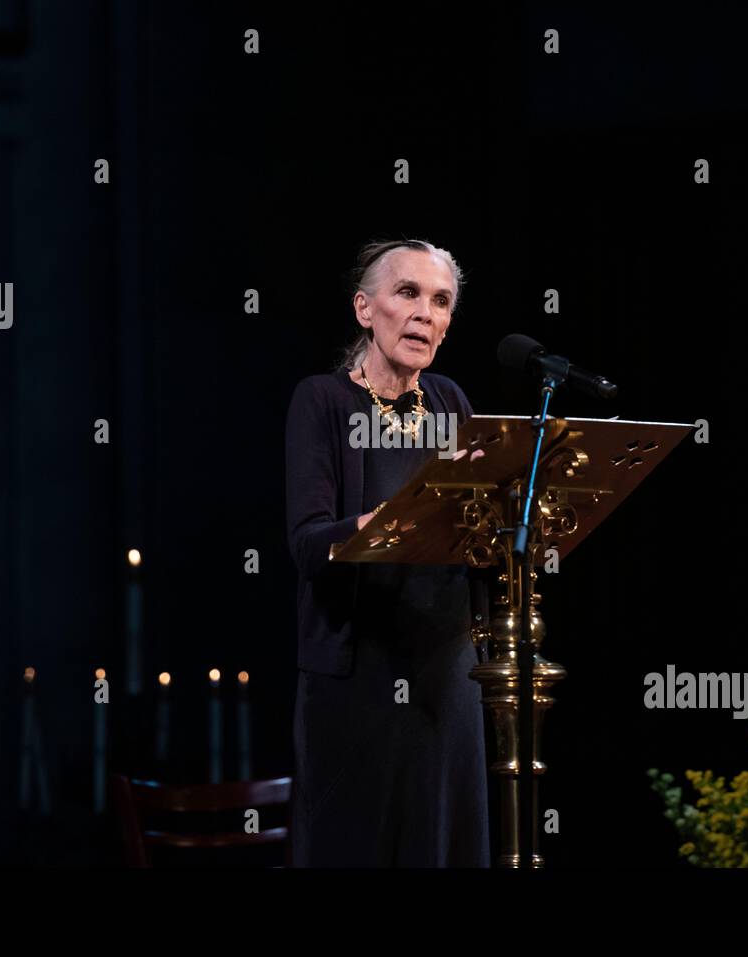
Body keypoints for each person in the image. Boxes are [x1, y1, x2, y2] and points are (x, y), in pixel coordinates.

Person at [284, 238, 490, 867]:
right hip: (357, 677)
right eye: (407, 293)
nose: (425, 313)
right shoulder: (321, 401)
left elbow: (472, 534)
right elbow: (308, 543)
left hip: (446, 674)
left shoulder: (450, 401)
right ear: (364, 309)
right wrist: (394, 521)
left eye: (441, 301)